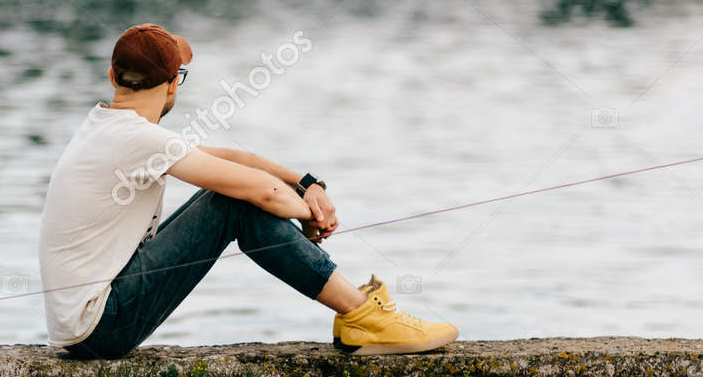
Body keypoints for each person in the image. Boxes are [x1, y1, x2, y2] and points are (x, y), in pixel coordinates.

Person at [39, 22, 460, 359]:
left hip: (85, 324)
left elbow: (230, 159)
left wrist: (305, 184)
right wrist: (304, 212)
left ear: (113, 76)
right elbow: (260, 192)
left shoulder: (109, 127)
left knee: (231, 195)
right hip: (101, 327)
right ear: (173, 84)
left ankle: (361, 313)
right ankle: (362, 315)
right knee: (234, 205)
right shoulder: (139, 140)